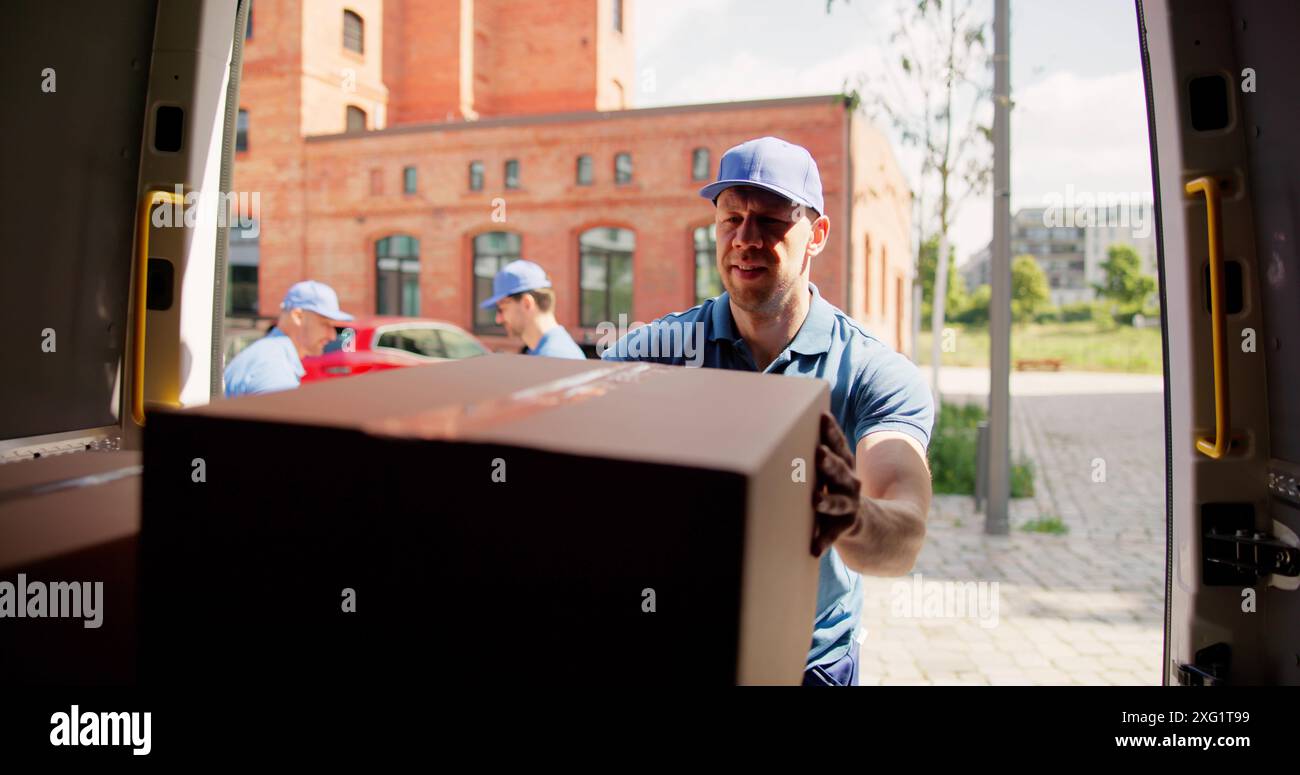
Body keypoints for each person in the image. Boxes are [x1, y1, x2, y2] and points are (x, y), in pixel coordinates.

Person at [602, 136, 935, 685]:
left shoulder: (872, 372)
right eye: (732, 218)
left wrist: (851, 516)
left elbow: (903, 537)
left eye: (772, 220)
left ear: (817, 235)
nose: (747, 239)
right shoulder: (654, 352)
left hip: (808, 665)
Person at [224, 280, 354, 398]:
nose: (332, 336)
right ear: (298, 316)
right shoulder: (274, 366)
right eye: (325, 324)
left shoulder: (270, 353)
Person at [481, 259, 586, 359]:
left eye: (501, 309)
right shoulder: (554, 351)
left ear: (527, 303)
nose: (498, 319)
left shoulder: (551, 359)